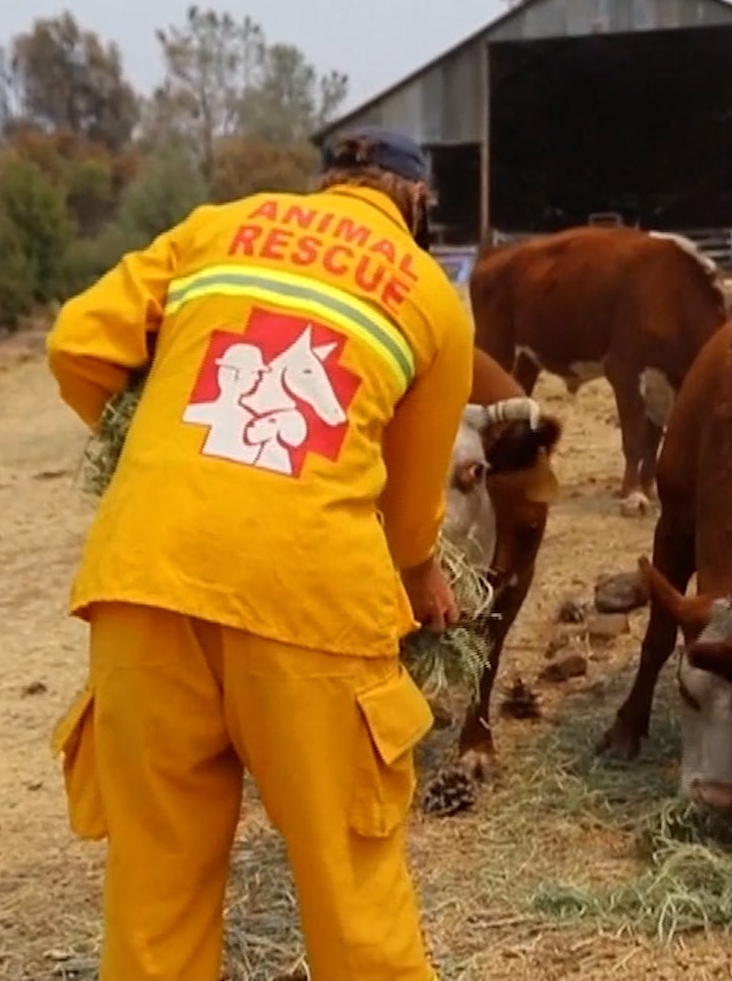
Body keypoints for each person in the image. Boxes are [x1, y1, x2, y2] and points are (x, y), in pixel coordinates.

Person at [44, 125, 474, 981]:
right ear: (416, 201)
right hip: (308, 610)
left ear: (327, 182)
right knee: (351, 893)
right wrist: (421, 571)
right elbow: (411, 498)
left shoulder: (214, 227)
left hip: (145, 584)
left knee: (154, 903)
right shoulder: (431, 299)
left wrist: (146, 446)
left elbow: (77, 345)